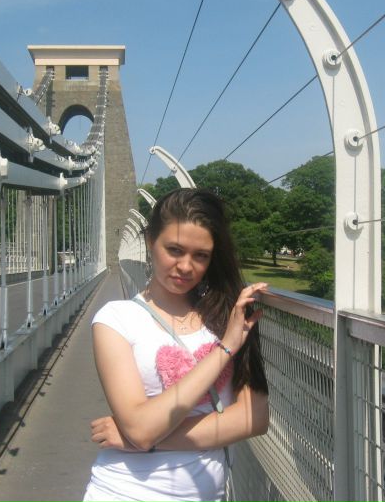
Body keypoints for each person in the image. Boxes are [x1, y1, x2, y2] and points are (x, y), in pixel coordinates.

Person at [84, 188, 269, 502]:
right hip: (123, 492)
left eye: (201, 256)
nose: (186, 266)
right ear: (150, 242)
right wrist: (224, 349)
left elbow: (254, 418)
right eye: (174, 250)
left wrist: (140, 439)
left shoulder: (230, 315)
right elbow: (141, 429)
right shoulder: (116, 318)